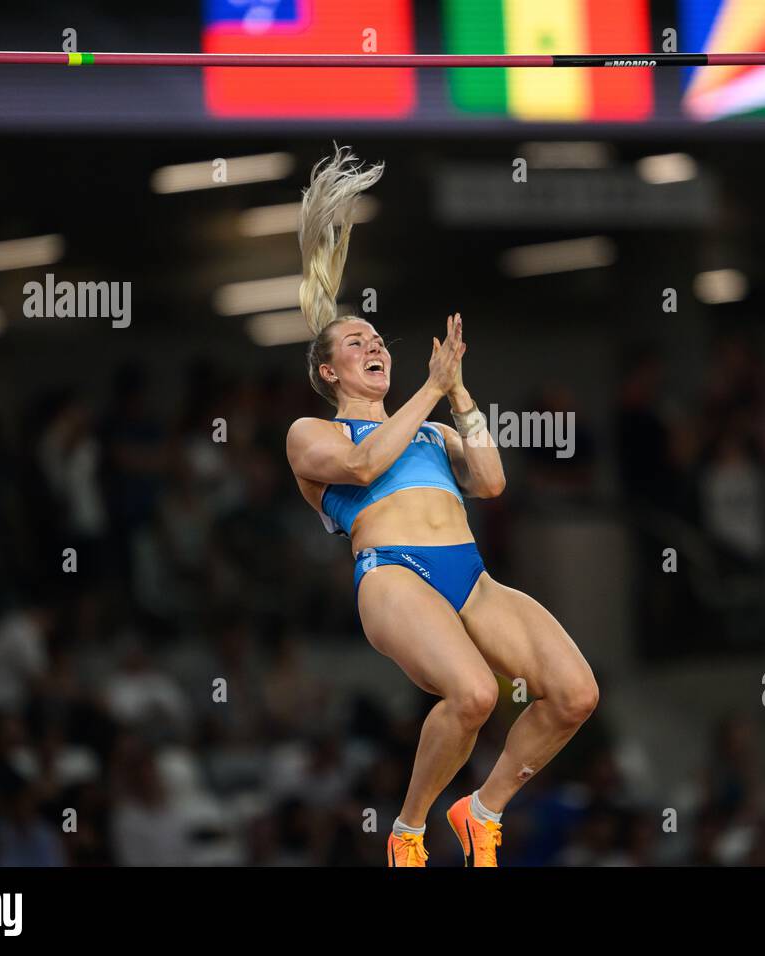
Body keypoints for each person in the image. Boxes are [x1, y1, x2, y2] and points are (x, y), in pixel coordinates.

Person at [284, 148, 599, 867]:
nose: (374, 346)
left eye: (377, 339)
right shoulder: (315, 433)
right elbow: (365, 464)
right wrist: (429, 388)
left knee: (575, 694)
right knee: (474, 693)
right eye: (356, 342)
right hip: (392, 575)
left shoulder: (431, 425)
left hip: (471, 575)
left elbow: (490, 481)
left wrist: (456, 391)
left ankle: (481, 809)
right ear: (329, 371)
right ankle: (408, 830)